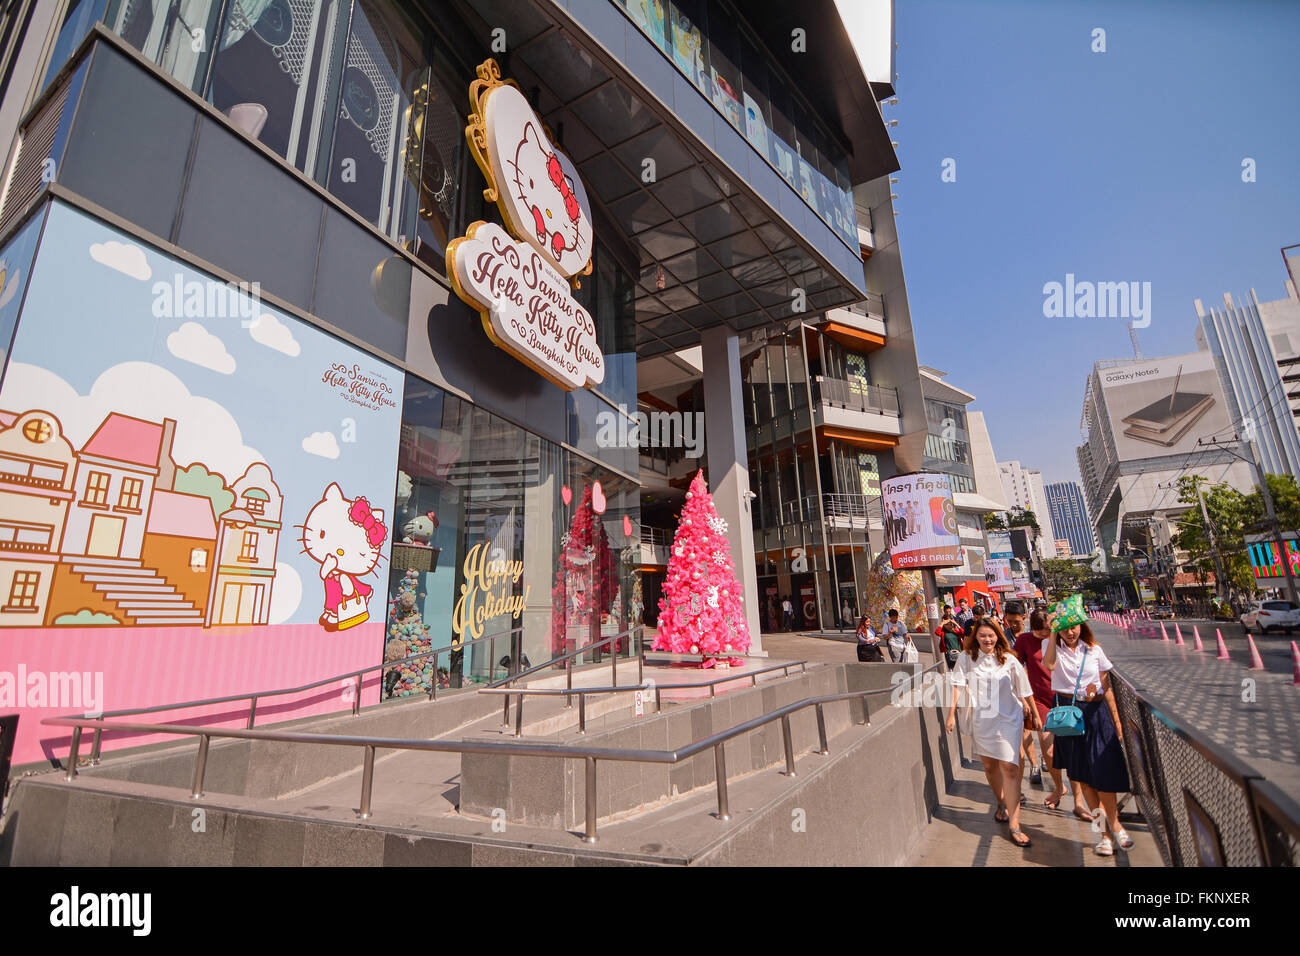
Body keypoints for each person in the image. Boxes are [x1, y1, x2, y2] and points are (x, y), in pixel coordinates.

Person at [1042, 596, 1134, 856]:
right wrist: (1052, 633)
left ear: (1082, 625)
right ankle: (1103, 835)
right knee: (1084, 777)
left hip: (1096, 713)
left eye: (1075, 626)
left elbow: (1107, 687)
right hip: (1071, 718)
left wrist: (1116, 721)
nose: (1071, 632)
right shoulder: (1053, 648)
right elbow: (1048, 665)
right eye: (1066, 627)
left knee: (1104, 774)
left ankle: (1114, 824)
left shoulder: (1094, 649)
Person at [945, 618, 1041, 848]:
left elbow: (1024, 688)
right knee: (989, 767)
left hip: (1009, 719)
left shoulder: (1009, 660)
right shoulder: (967, 659)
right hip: (982, 720)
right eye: (982, 636)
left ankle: (1015, 825)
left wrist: (1035, 713)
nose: (987, 639)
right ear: (975, 638)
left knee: (1009, 767)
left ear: (998, 635)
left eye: (991, 635)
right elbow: (957, 684)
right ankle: (1001, 802)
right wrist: (951, 714)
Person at [1015, 608, 1092, 821]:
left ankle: (1078, 802)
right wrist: (1023, 699)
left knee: (1073, 750)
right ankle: (1060, 787)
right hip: (1040, 700)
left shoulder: (1062, 638)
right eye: (1040, 631)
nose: (1044, 634)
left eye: (1048, 630)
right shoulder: (1024, 641)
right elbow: (1015, 666)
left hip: (1067, 700)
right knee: (1048, 750)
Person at [934, 605, 965, 669]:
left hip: (958, 652)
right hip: (949, 654)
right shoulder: (943, 633)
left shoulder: (955, 631)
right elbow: (937, 632)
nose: (948, 626)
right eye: (946, 625)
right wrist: (942, 623)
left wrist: (956, 624)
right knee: (952, 668)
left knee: (960, 667)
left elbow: (963, 633)